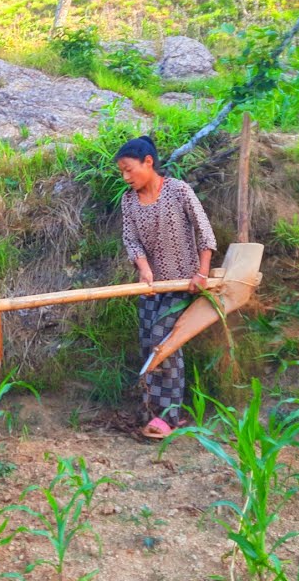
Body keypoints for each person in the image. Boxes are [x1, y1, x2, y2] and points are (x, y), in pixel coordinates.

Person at [116, 136, 218, 439]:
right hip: (152, 288)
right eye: (121, 172)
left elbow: (204, 232)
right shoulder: (129, 201)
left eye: (129, 170)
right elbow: (131, 239)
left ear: (148, 162)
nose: (126, 177)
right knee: (149, 343)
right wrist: (144, 271)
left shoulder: (178, 191)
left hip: (183, 286)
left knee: (166, 346)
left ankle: (168, 417)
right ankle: (150, 411)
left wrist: (202, 273)